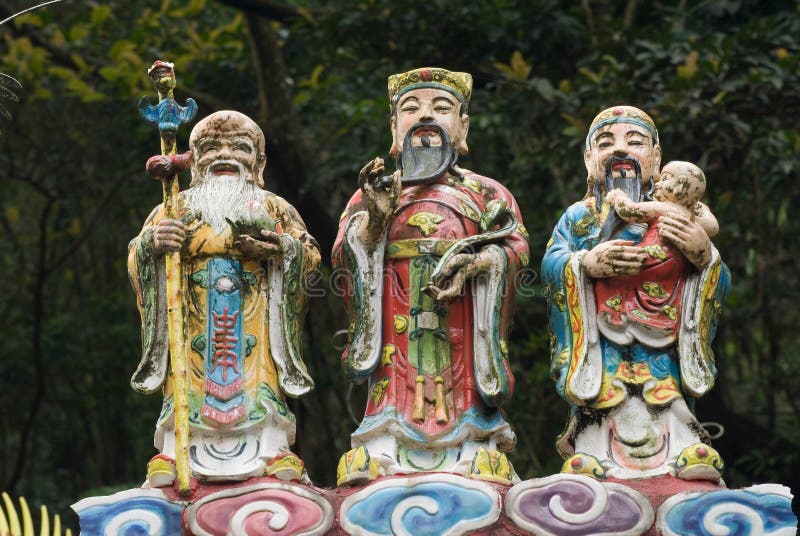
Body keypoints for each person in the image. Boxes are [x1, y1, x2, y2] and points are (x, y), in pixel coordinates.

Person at [332, 67, 529, 485]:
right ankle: (381, 440)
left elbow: (515, 249)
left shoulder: (487, 193)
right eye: (411, 108)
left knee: (466, 391)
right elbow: (343, 258)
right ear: (394, 127)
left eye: (441, 108)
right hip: (395, 322)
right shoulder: (374, 193)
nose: (425, 118)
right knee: (392, 385)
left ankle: (477, 440)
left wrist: (479, 264)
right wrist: (375, 223)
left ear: (462, 126)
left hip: (461, 321)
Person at [128, 110, 320, 485]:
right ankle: (173, 450)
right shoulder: (173, 209)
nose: (224, 155)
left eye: (240, 147)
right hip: (194, 325)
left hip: (255, 323)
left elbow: (310, 256)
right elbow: (138, 259)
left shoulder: (274, 208)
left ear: (259, 162)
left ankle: (271, 447)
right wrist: (154, 244)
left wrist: (282, 250)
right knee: (185, 384)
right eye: (212, 147)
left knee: (260, 384)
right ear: (194, 160)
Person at [542, 106, 730, 481]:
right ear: (588, 159)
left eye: (635, 141)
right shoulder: (580, 216)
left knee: (664, 390)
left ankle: (683, 447)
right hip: (601, 337)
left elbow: (717, 276)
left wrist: (704, 255)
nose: (620, 150)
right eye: (606, 142)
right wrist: (586, 263)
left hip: (661, 331)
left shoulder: (682, 211)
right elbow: (551, 266)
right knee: (604, 394)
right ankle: (591, 449)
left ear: (656, 158)